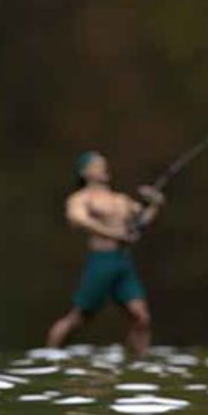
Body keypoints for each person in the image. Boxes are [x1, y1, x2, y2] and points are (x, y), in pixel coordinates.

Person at [46, 152, 165, 356]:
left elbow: (141, 222)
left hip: (123, 262)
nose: (103, 168)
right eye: (97, 165)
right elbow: (78, 220)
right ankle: (50, 355)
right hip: (101, 262)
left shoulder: (121, 200)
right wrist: (113, 234)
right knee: (78, 318)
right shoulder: (81, 199)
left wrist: (155, 203)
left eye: (103, 164)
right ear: (84, 173)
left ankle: (138, 361)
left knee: (141, 317)